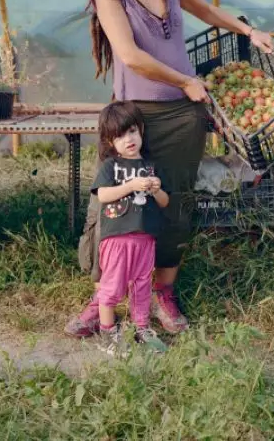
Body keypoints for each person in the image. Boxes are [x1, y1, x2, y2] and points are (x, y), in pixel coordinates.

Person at [65, 0, 274, 339]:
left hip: (184, 116)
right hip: (133, 118)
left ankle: (163, 293)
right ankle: (103, 295)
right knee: (117, 203)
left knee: (174, 201)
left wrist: (249, 30)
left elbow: (209, 12)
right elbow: (130, 56)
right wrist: (184, 80)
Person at [90, 101, 169, 355]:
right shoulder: (111, 166)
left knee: (142, 285)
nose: (128, 139)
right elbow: (102, 194)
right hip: (117, 239)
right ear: (110, 142)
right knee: (111, 286)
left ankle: (142, 328)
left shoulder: (152, 167)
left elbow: (165, 202)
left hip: (145, 239)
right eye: (120, 136)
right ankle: (107, 331)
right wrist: (131, 185)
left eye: (132, 131)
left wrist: (156, 190)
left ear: (141, 130)